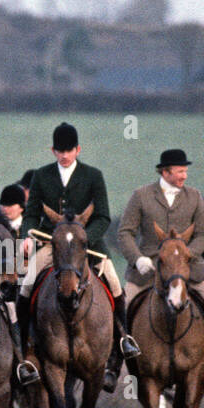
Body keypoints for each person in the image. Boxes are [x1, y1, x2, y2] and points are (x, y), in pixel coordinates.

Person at [15, 122, 139, 392]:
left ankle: (123, 343)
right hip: (52, 243)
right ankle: (25, 351)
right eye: (59, 151)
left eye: (69, 150)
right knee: (26, 285)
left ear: (78, 150)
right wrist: (27, 236)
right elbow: (31, 214)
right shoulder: (41, 175)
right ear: (53, 151)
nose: (64, 155)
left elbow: (103, 217)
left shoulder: (93, 176)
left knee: (115, 285)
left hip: (88, 245)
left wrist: (84, 239)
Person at [117, 149, 204, 374]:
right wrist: (138, 259)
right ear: (165, 172)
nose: (184, 176)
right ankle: (114, 364)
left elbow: (203, 235)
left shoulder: (194, 196)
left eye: (185, 171)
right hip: (149, 267)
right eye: (180, 171)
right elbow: (125, 233)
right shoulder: (141, 196)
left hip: (189, 266)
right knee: (124, 309)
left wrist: (187, 255)